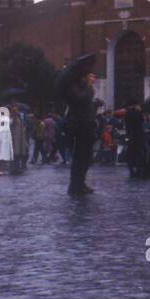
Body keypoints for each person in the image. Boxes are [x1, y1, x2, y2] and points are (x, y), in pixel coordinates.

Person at [56, 54, 98, 195]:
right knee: (81, 156)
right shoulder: (70, 85)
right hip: (81, 124)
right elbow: (80, 99)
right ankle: (75, 185)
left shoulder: (78, 84)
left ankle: (80, 183)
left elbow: (85, 102)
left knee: (86, 156)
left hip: (86, 122)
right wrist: (89, 86)